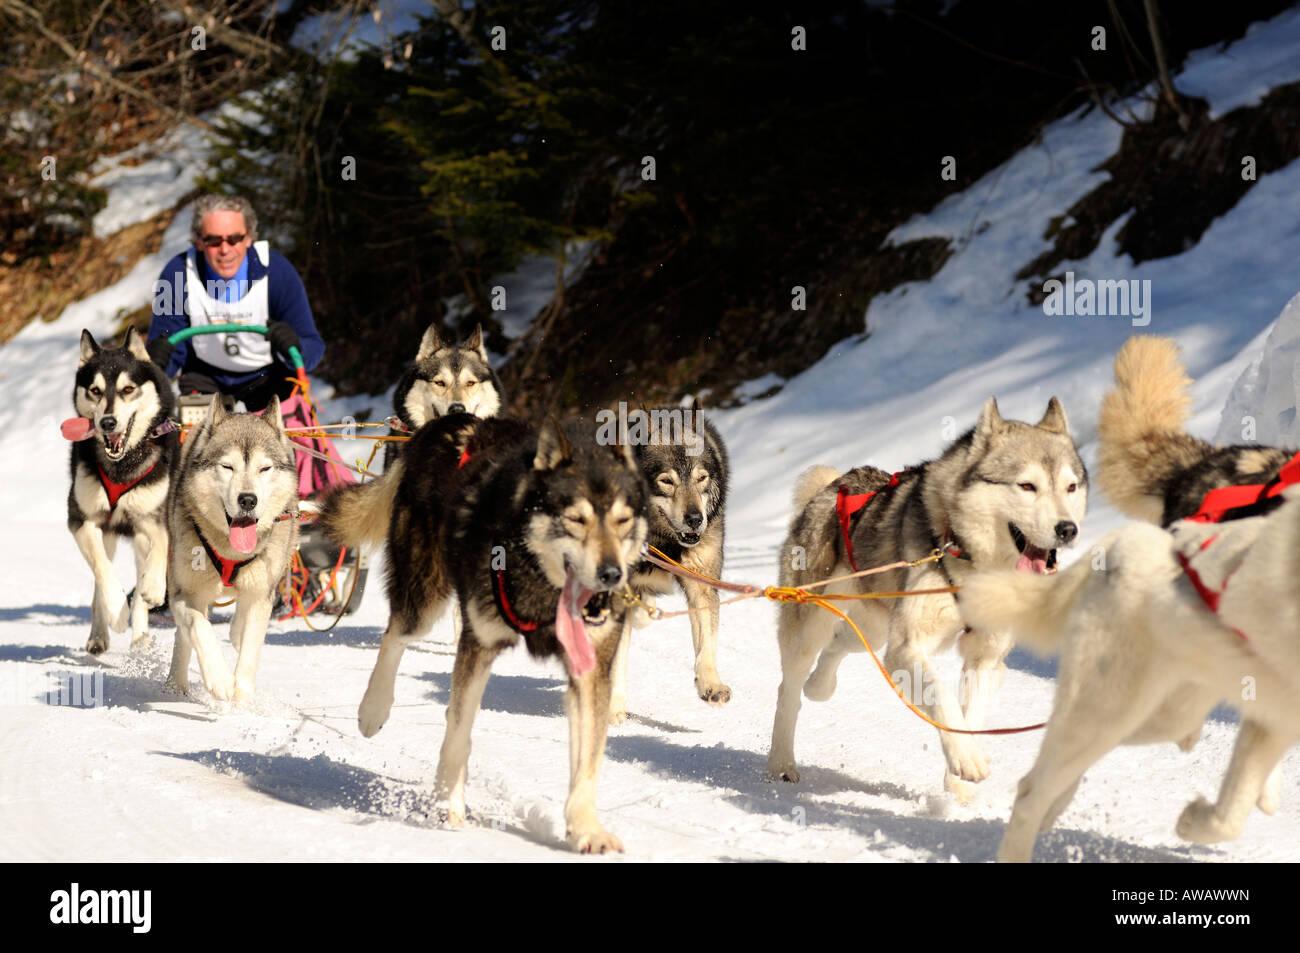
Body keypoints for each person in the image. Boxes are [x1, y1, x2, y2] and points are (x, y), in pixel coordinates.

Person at [146, 193, 325, 413]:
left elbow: (313, 346)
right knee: (198, 440)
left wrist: (295, 346)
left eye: (234, 239)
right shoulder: (177, 274)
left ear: (248, 238)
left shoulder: (278, 272)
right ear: (199, 241)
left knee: (280, 438)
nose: (225, 249)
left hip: (266, 376)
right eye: (213, 240)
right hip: (205, 375)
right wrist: (156, 364)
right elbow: (166, 348)